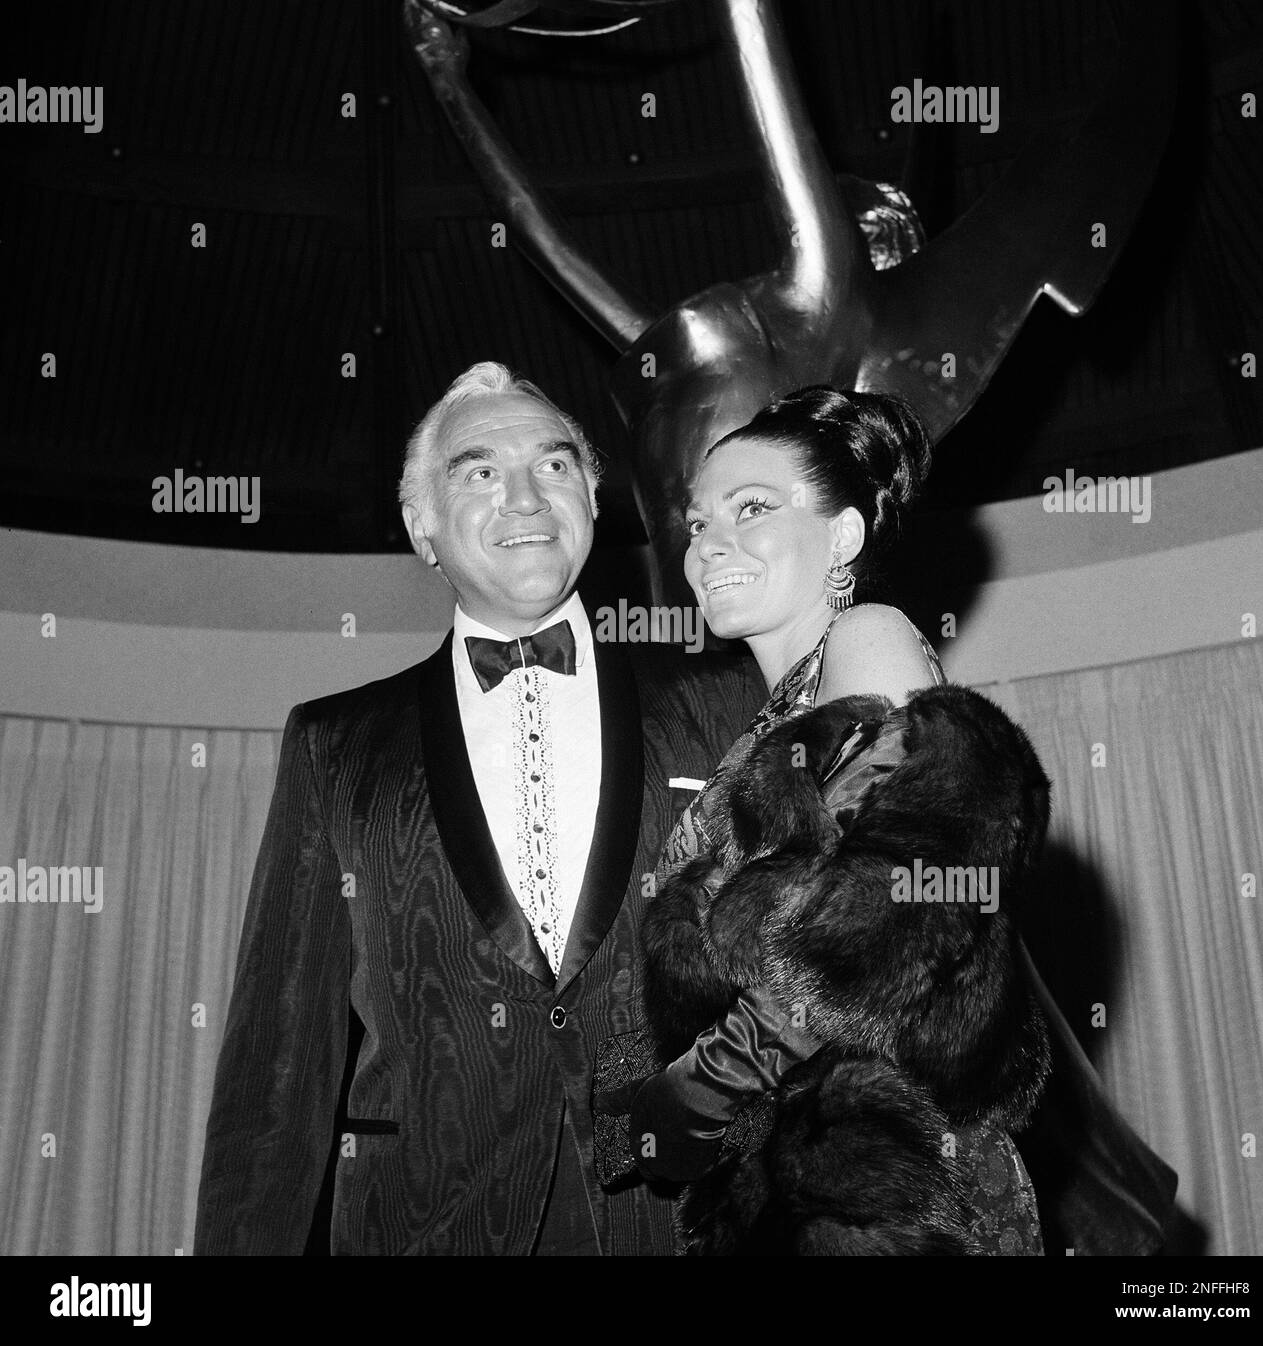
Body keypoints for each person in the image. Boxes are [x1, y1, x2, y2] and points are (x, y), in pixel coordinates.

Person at [193, 362, 761, 1255]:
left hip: (680, 1224)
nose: (527, 496)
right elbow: (277, 1063)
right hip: (421, 1224)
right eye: (480, 471)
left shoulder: (730, 699)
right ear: (422, 526)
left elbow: (806, 985)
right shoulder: (333, 746)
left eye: (556, 464)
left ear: (593, 498)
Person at [593, 385, 1177, 1255]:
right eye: (696, 523)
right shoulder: (760, 731)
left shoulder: (867, 635)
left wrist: (697, 1093)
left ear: (844, 536)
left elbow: (912, 907)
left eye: (751, 508)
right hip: (793, 1197)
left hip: (895, 1198)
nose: (708, 544)